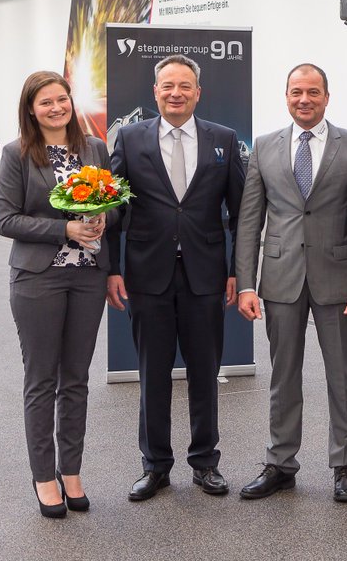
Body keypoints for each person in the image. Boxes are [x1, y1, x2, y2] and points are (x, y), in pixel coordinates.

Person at [105, 54, 245, 501]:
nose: (176, 93)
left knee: (205, 372)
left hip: (206, 276)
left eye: (185, 86)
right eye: (168, 86)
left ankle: (205, 463)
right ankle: (155, 466)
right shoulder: (129, 139)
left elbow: (241, 213)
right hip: (148, 275)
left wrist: (238, 272)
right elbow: (111, 210)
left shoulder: (224, 140)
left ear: (198, 92)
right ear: (155, 91)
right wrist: (111, 269)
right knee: (153, 374)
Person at [234, 63, 347, 501]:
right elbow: (249, 221)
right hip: (281, 279)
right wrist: (246, 283)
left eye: (313, 92)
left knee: (342, 377)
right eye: (297, 92)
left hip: (339, 281)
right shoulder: (264, 147)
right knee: (283, 376)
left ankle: (344, 466)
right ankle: (280, 463)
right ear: (286, 96)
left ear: (327, 97)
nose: (304, 100)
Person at [0, 71, 113, 518]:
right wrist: (64, 229)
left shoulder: (94, 148)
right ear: (31, 109)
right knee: (42, 380)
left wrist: (105, 219)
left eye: (61, 99)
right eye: (45, 102)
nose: (56, 108)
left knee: (76, 379)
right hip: (38, 279)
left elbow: (115, 208)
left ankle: (72, 472)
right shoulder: (17, 154)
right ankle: (44, 476)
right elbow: (5, 219)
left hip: (88, 277)